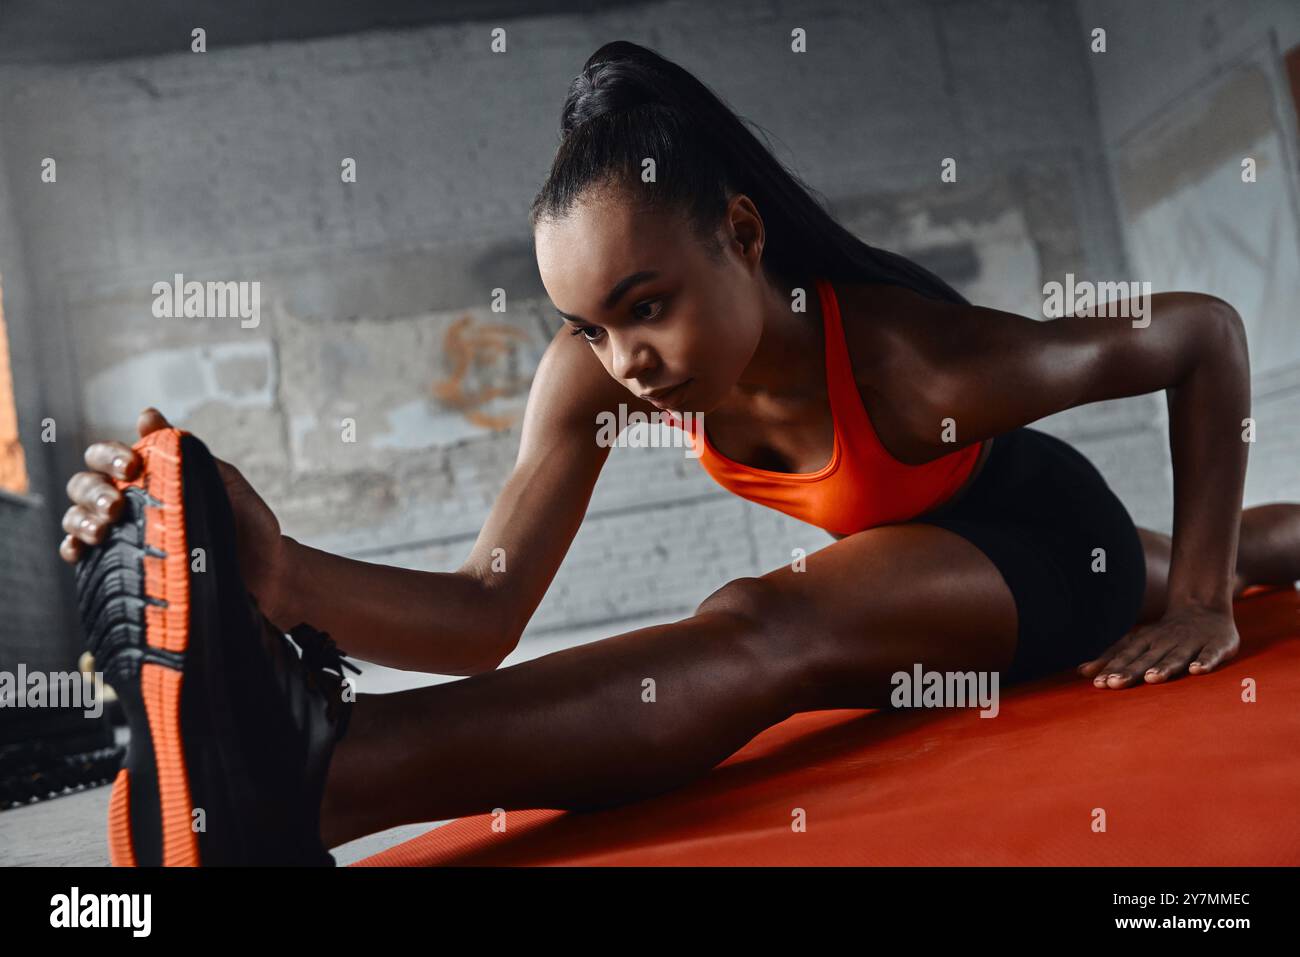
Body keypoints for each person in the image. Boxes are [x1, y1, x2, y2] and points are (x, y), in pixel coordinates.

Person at [57, 41, 1300, 865]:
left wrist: (1200, 608)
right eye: (589, 324)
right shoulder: (598, 371)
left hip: (1041, 546)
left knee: (765, 621)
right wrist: (287, 576)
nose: (624, 359)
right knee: (1261, 545)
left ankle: (315, 783)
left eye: (646, 305)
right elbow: (486, 613)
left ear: (743, 234)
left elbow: (1202, 335)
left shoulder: (924, 367)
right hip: (924, 552)